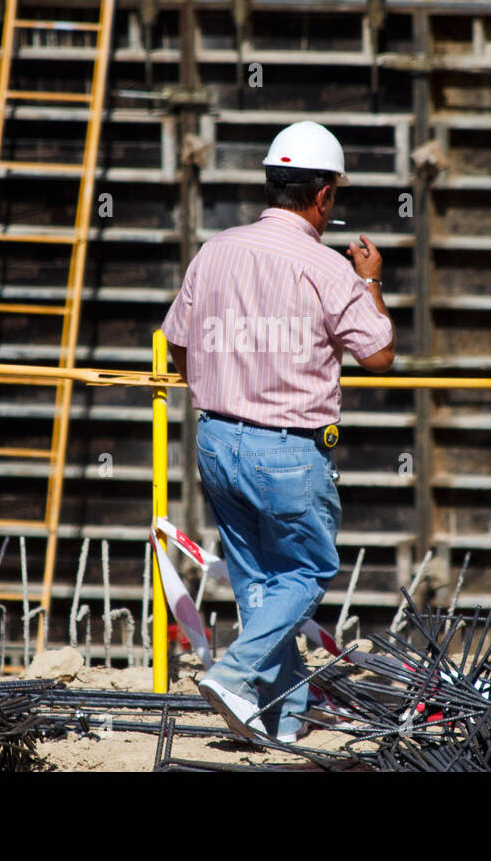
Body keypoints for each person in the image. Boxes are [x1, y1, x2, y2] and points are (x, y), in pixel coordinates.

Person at [160, 120, 396, 744]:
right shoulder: (326, 268)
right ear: (323, 197)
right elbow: (377, 352)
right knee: (308, 571)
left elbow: (178, 345)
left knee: (261, 585)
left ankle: (282, 720)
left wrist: (224, 388)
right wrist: (370, 279)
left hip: (216, 439)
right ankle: (235, 674)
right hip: (288, 448)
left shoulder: (215, 250)